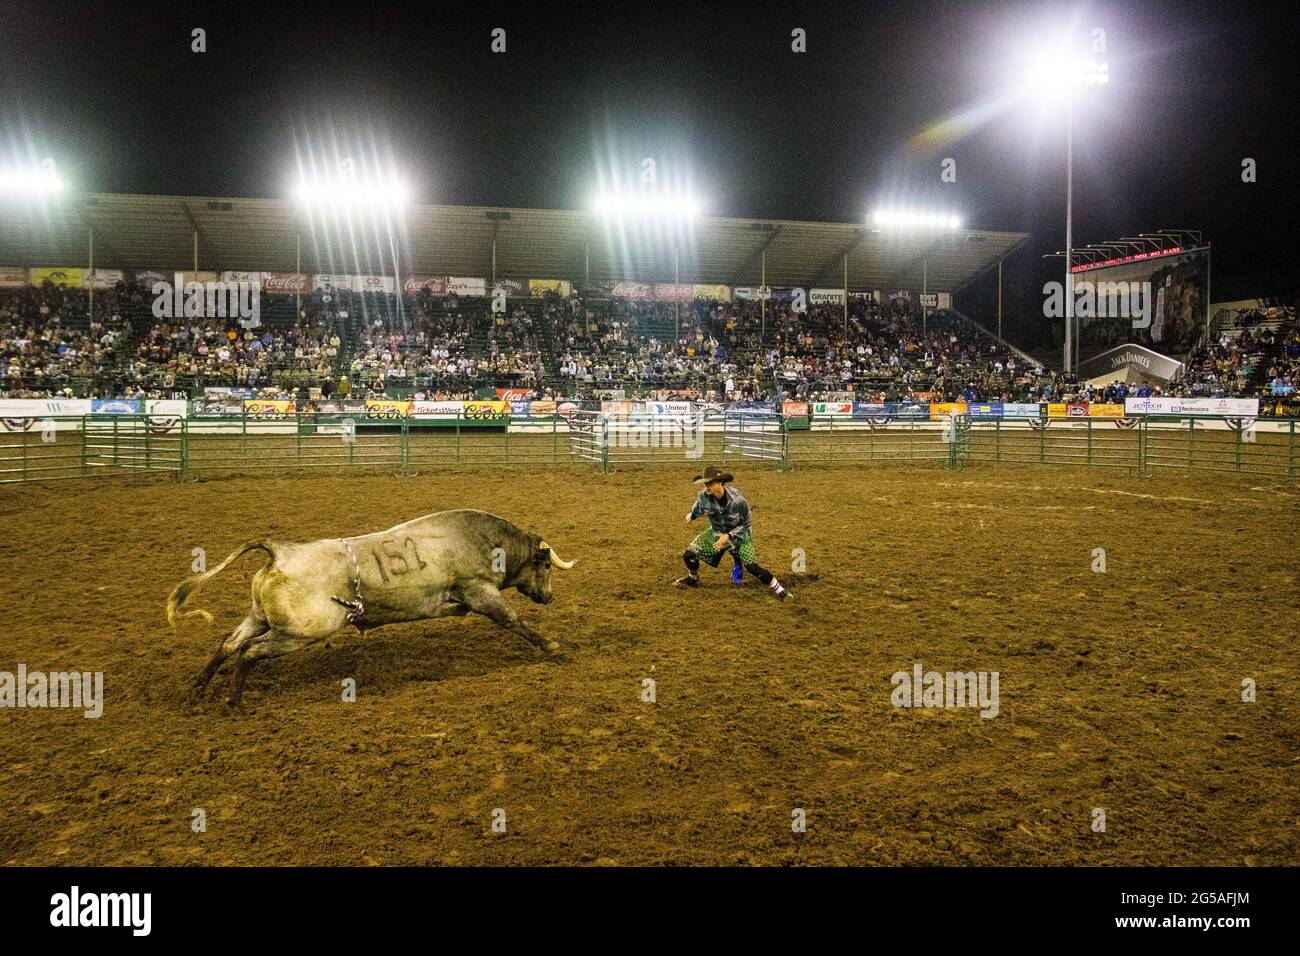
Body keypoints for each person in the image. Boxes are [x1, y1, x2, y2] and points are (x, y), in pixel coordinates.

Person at [674, 465, 789, 601]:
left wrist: (728, 536)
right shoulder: (703, 496)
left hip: (739, 536)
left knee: (752, 567)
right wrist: (692, 516)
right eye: (706, 484)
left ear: (720, 483)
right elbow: (698, 508)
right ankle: (693, 578)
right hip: (716, 532)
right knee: (689, 555)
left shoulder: (737, 501)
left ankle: (780, 591)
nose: (707, 487)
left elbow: (746, 523)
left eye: (710, 483)